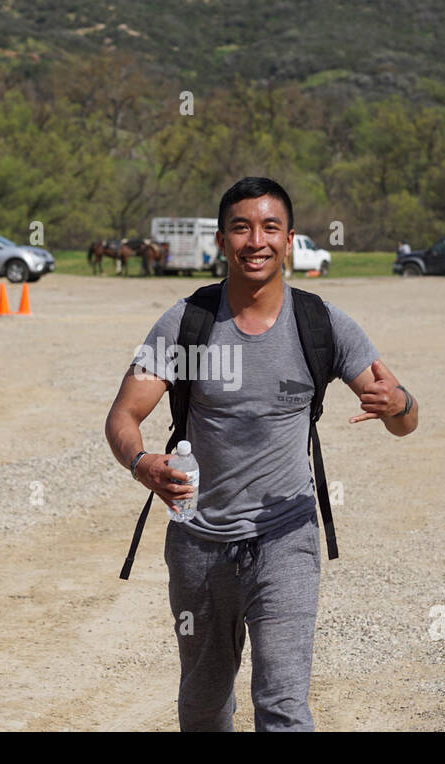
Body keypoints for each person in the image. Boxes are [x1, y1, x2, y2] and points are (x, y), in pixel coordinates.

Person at [103, 177, 419, 731]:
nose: (257, 240)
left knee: (282, 705)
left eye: (270, 227)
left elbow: (405, 421)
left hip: (287, 537)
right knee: (204, 706)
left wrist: (400, 402)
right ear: (222, 240)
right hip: (198, 543)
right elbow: (123, 416)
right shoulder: (186, 322)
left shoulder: (321, 324)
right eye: (242, 227)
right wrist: (142, 464)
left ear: (289, 239)